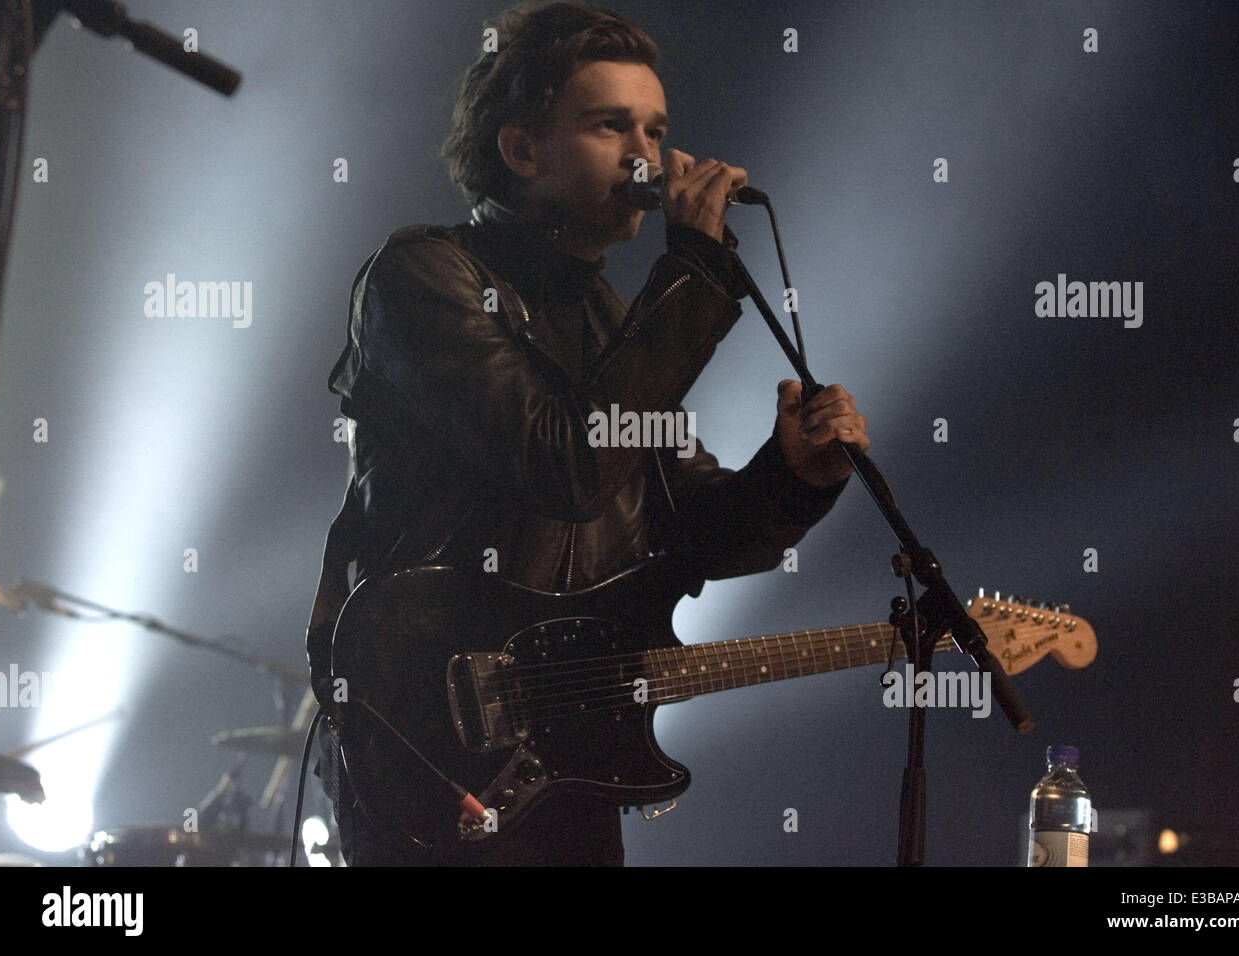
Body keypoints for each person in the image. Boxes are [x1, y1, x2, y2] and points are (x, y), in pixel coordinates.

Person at [305, 0, 869, 866]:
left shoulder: (612, 321)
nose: (650, 155)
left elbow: (690, 531)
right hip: (431, 743)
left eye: (656, 128)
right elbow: (563, 463)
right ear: (522, 148)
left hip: (561, 749)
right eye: (612, 127)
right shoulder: (423, 274)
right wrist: (693, 271)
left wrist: (792, 478)